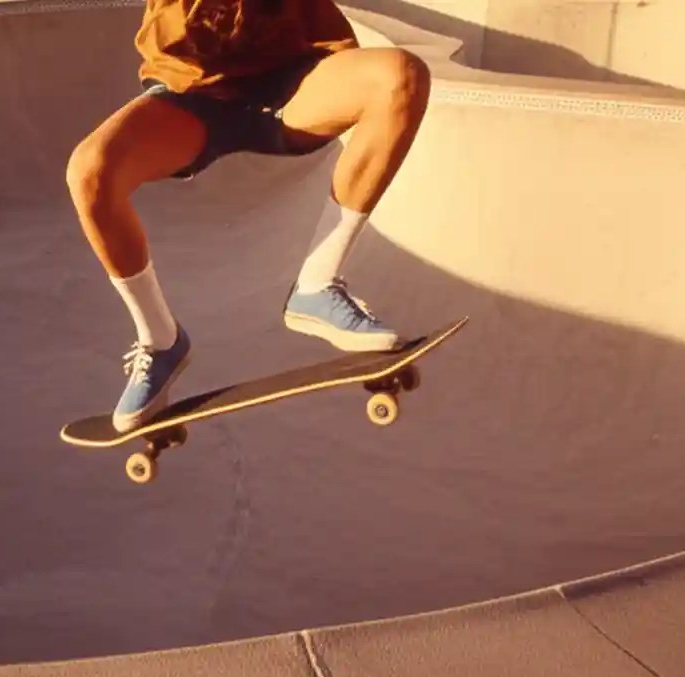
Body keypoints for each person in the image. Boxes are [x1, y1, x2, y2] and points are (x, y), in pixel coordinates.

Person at [66, 0, 431, 432]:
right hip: (194, 92)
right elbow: (177, 38)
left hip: (298, 82)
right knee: (90, 171)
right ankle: (159, 340)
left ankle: (317, 285)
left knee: (400, 77)